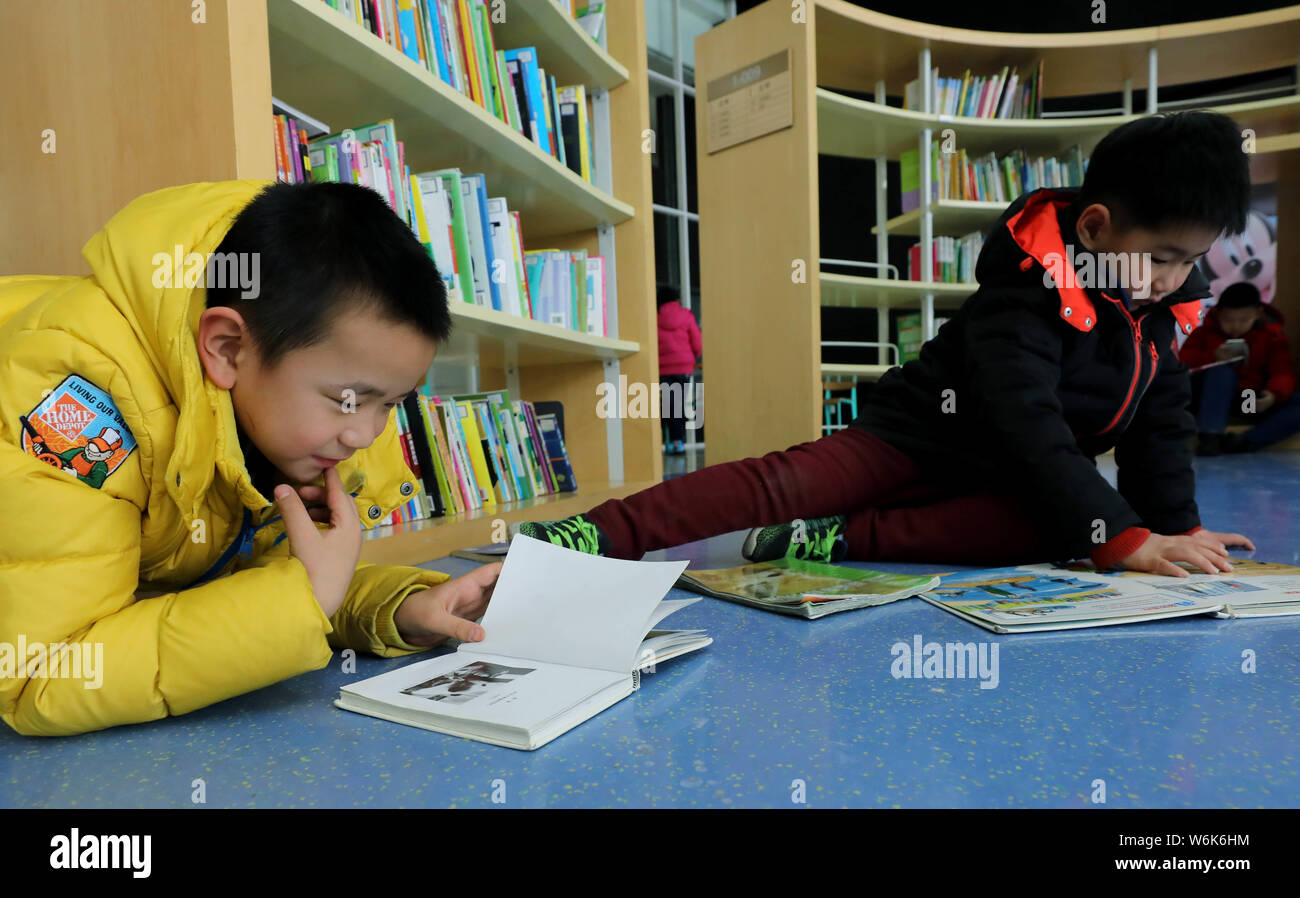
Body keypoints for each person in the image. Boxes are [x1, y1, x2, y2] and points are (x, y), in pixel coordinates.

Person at [511, 111, 1255, 577]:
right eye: (1159, 255)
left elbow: (1162, 427)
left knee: (1063, 528)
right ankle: (587, 535)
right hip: (912, 438)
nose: (1171, 279)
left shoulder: (1162, 313)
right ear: (1094, 227)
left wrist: (1173, 528)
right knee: (785, 485)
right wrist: (1125, 539)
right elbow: (1028, 423)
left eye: (1190, 261)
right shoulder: (1025, 294)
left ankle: (831, 542)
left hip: (1006, 477)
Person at [0, 180, 502, 736]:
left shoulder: (279, 412)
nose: (366, 433)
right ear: (227, 348)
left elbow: (245, 579)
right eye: (347, 400)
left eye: (393, 403)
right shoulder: (69, 402)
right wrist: (301, 598)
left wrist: (396, 608)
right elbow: (41, 674)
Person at [1178, 281, 1299, 454]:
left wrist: (1273, 395)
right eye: (1228, 320)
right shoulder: (1203, 334)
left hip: (1247, 400)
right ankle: (1210, 437)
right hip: (1209, 400)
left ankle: (1245, 441)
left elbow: (1283, 371)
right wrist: (1212, 357)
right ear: (1218, 313)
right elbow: (1182, 366)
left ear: (1258, 313)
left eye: (1244, 320)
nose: (1235, 326)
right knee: (1221, 372)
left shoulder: (1272, 336)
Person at [656, 285, 702, 455]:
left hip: (662, 369)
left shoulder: (655, 317)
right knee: (679, 403)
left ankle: (670, 441)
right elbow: (697, 343)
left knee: (668, 403)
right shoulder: (686, 315)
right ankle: (678, 442)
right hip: (683, 367)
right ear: (676, 299)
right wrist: (694, 356)